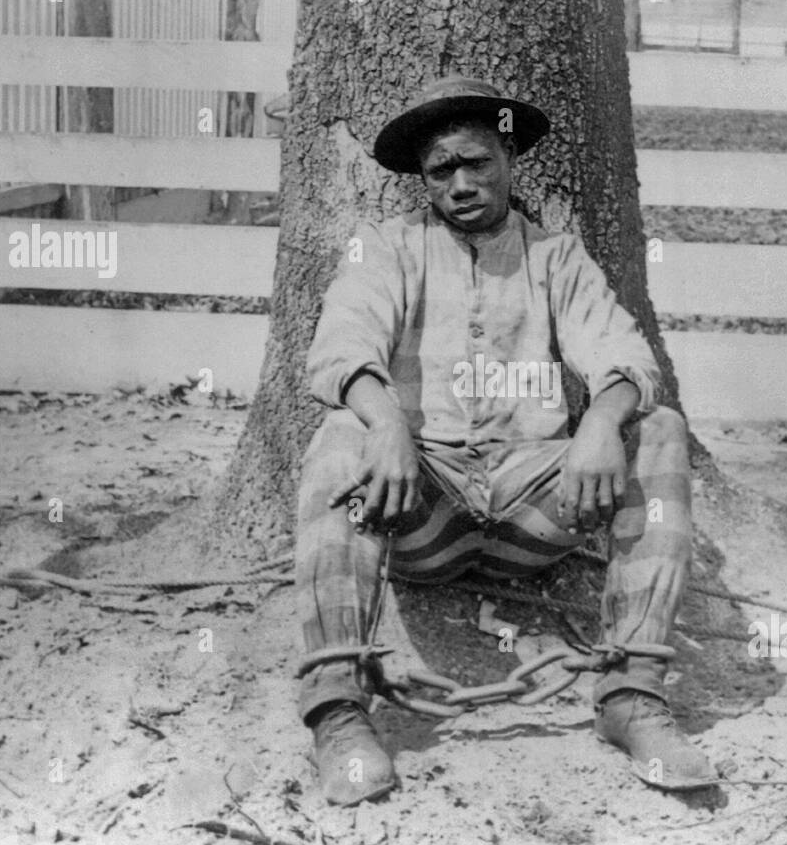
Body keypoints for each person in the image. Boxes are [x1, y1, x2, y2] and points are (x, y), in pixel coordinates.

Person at [296, 75, 717, 805]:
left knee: (658, 430)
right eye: (441, 170)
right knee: (341, 431)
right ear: (424, 180)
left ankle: (633, 695)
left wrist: (597, 420)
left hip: (535, 511)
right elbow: (338, 350)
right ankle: (339, 712)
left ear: (508, 156)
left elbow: (627, 358)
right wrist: (390, 421)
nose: (460, 183)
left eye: (477, 162)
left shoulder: (555, 256)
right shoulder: (388, 248)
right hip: (421, 510)